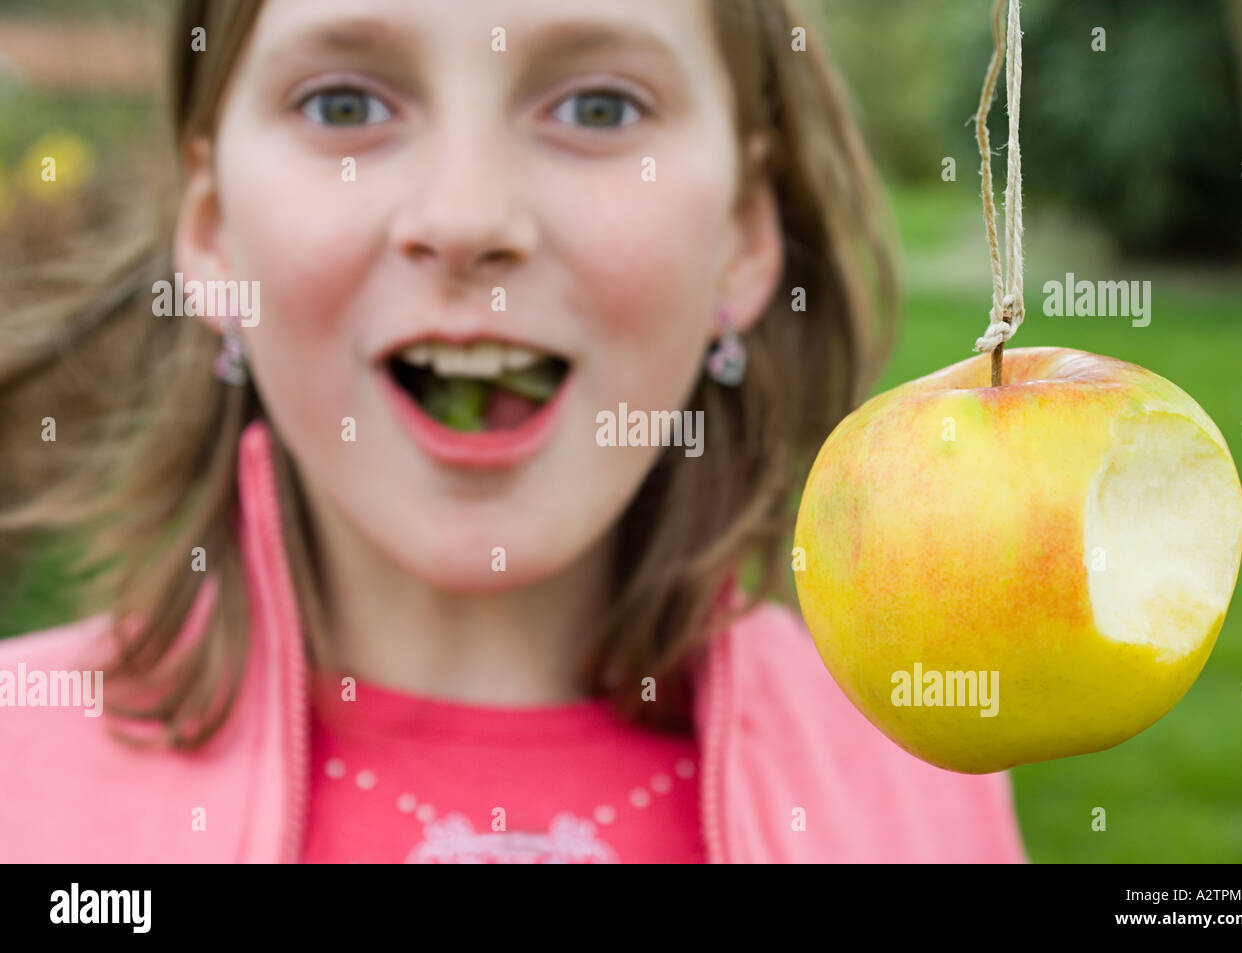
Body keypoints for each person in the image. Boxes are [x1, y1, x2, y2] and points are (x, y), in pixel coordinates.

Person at [0, 0, 1026, 863]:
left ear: (743, 232)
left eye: (597, 106)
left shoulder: (916, 779)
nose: (467, 216)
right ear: (213, 227)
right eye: (345, 104)